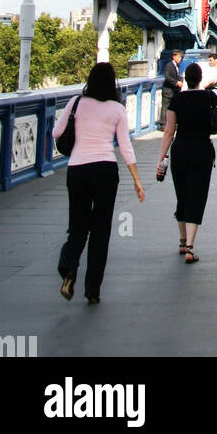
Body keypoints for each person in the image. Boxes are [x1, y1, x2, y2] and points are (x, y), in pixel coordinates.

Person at [53, 62, 146, 304]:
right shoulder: (117, 109)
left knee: (77, 226)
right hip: (105, 169)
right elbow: (125, 147)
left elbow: (56, 132)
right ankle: (92, 290)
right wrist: (137, 180)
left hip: (78, 169)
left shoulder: (76, 102)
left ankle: (69, 267)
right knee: (101, 231)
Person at [157, 61, 217, 262]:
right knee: (197, 195)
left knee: (182, 194)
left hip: (180, 150)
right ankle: (189, 247)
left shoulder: (177, 100)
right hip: (202, 151)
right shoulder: (210, 97)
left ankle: (182, 241)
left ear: (185, 79)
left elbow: (169, 131)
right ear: (200, 79)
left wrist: (162, 157)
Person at [159, 49, 183, 129]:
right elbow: (167, 77)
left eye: (181, 57)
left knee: (174, 108)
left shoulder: (177, 66)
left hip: (175, 91)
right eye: (179, 57)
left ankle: (173, 123)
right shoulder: (169, 65)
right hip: (168, 90)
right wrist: (176, 82)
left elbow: (177, 75)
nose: (180, 59)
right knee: (165, 107)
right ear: (174, 57)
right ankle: (163, 125)